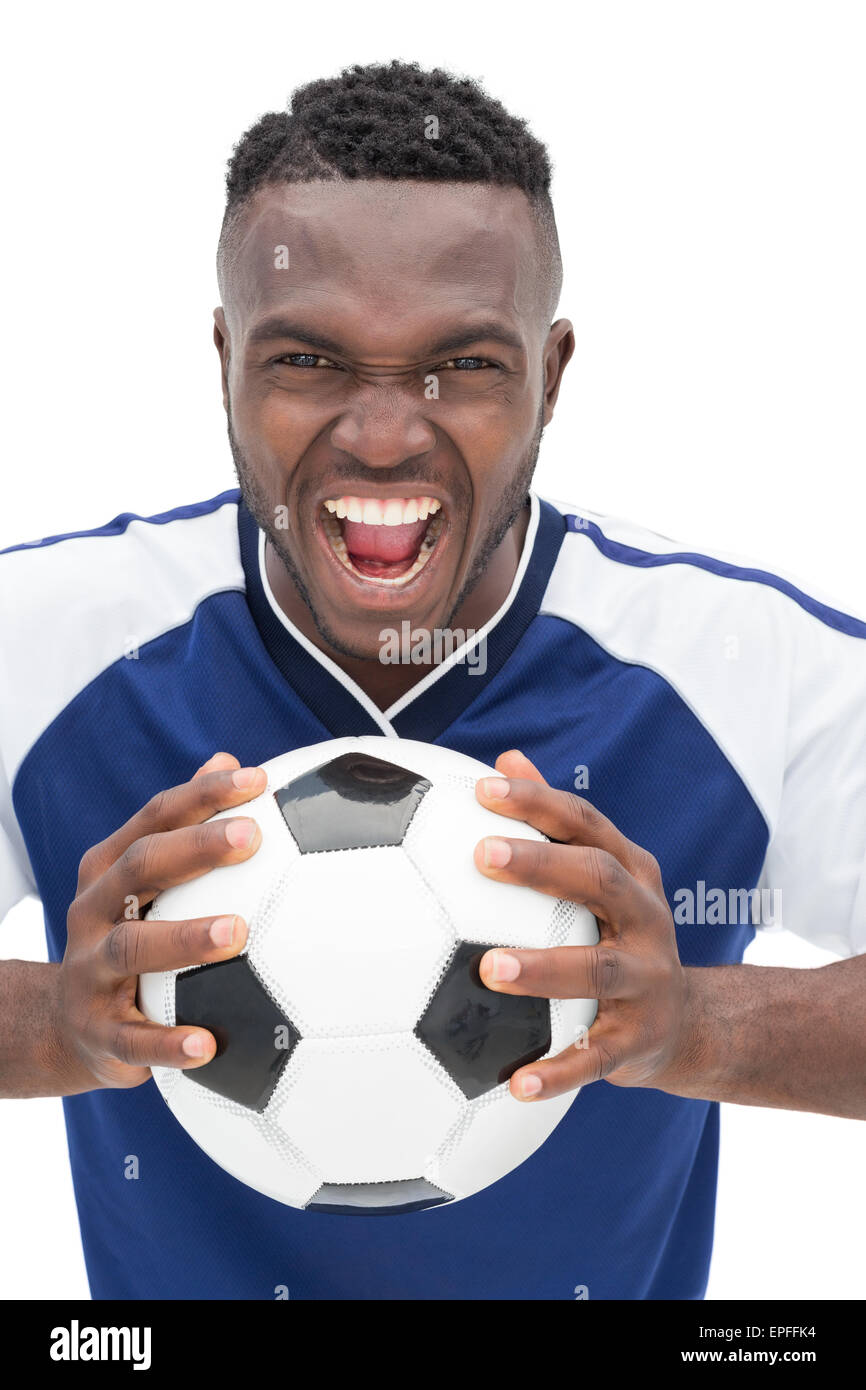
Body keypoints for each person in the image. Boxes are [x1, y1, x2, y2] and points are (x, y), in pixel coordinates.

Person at [1, 60, 864, 1301]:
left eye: (460, 366)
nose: (385, 433)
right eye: (307, 360)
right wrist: (48, 1024)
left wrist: (701, 1026)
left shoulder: (737, 668)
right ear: (225, 358)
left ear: (550, 375)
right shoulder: (47, 646)